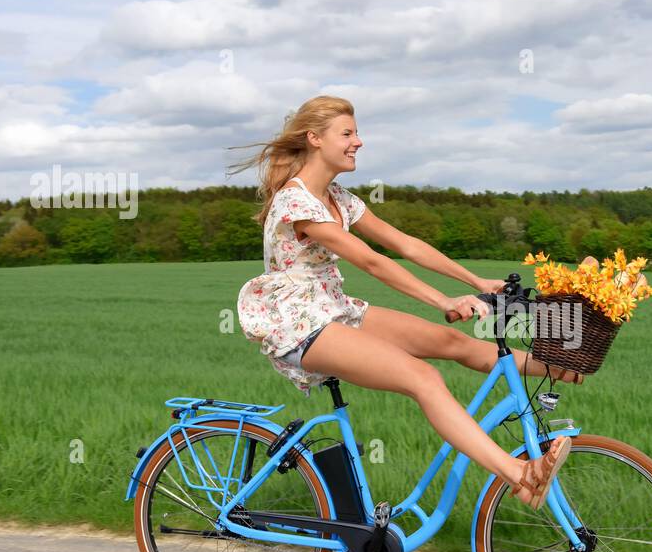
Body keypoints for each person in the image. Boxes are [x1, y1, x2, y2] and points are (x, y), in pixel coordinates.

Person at [229, 95, 577, 509]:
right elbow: (373, 262)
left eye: (356, 132)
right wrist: (441, 298)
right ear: (315, 139)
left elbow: (405, 245)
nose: (359, 141)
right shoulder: (296, 201)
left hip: (335, 310)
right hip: (300, 325)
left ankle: (558, 367)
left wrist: (476, 280)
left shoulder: (338, 198)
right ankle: (520, 475)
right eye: (348, 133)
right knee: (424, 378)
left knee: (453, 343)